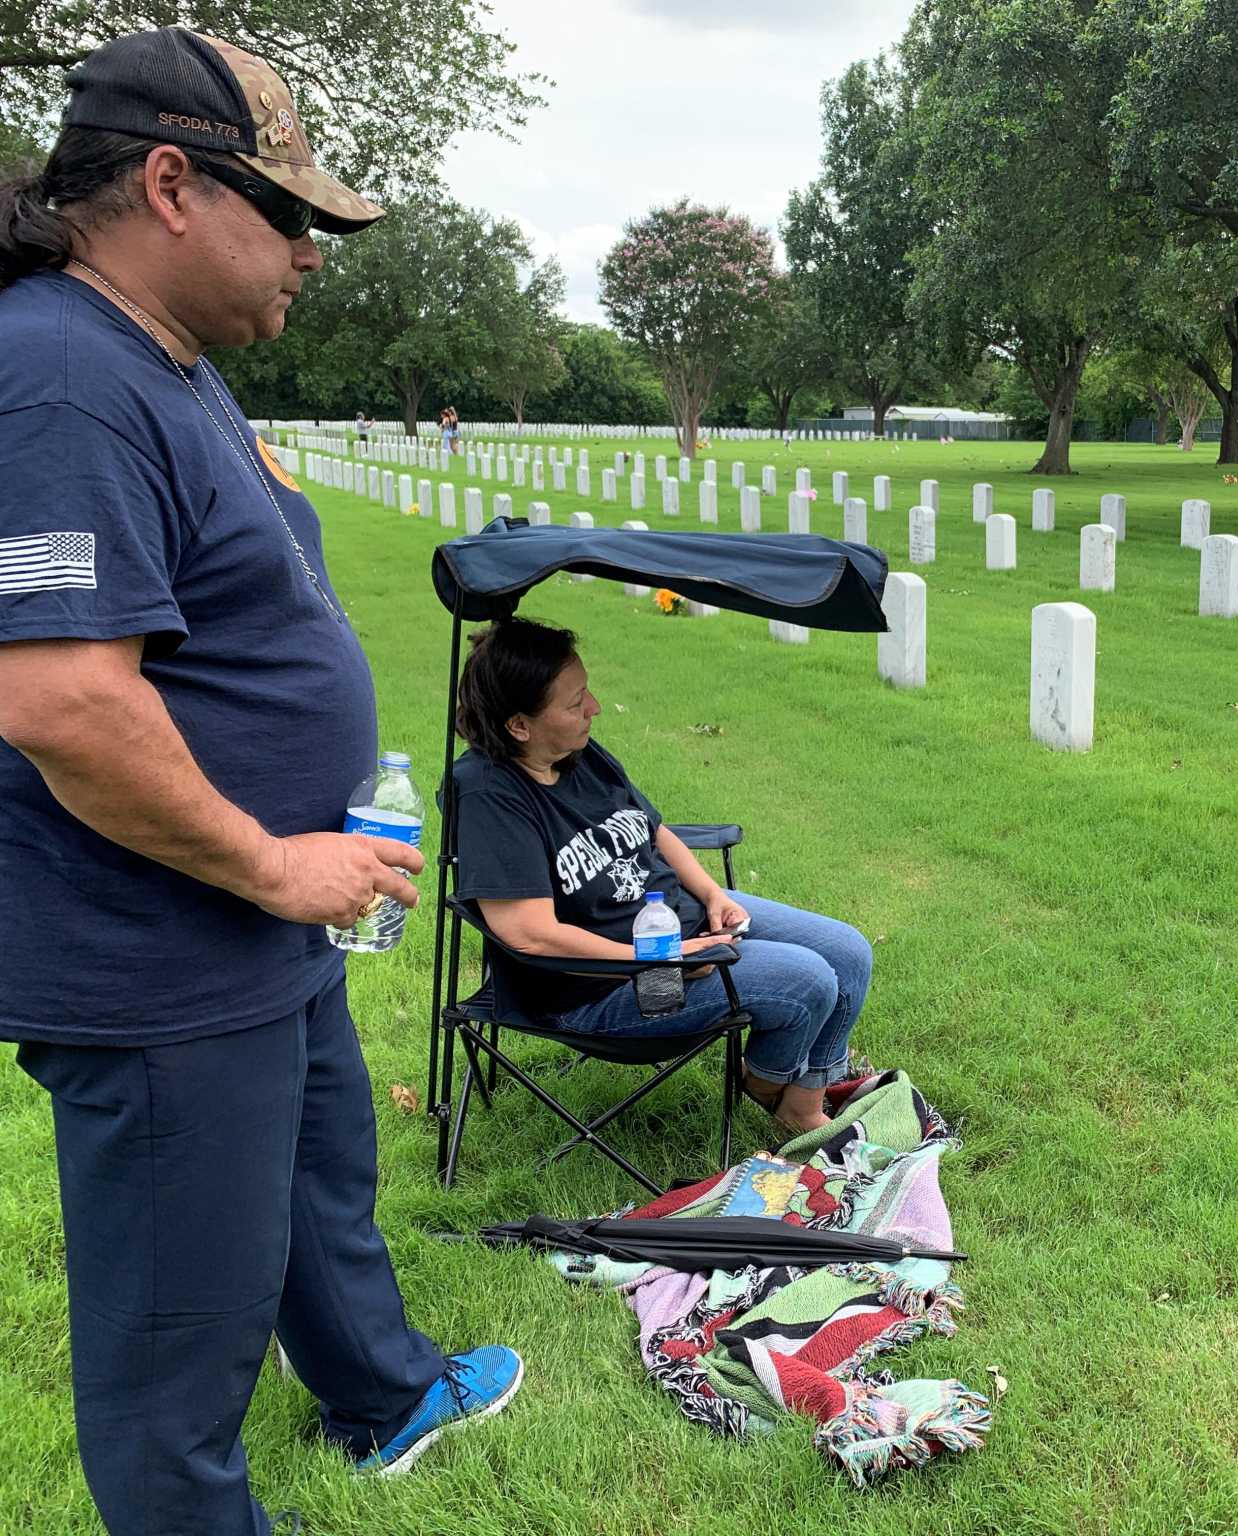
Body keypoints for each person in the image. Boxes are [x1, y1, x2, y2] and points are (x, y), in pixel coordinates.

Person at [0, 30, 523, 1536]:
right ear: (169, 185)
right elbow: (60, 702)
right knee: (180, 1339)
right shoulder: (54, 378)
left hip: (253, 926)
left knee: (316, 1175)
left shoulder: (170, 365)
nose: (309, 253)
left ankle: (381, 1391)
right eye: (286, 216)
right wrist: (277, 865)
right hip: (160, 951)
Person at [452, 617, 874, 1134]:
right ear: (519, 725)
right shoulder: (489, 794)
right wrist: (656, 960)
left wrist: (712, 894)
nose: (594, 708)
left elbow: (653, 831)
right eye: (574, 702)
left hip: (683, 927)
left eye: (586, 692)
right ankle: (769, 1087)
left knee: (849, 951)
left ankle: (798, 1099)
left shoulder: (578, 753)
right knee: (807, 978)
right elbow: (528, 932)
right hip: (609, 988)